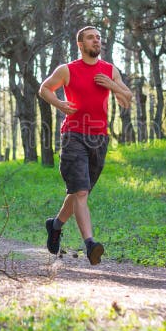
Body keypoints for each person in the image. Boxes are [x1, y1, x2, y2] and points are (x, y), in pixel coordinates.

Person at [38, 26, 133, 265]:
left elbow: (127, 100)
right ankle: (90, 244)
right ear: (80, 44)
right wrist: (60, 104)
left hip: (99, 138)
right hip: (73, 135)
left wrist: (112, 85)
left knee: (81, 190)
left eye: (98, 37)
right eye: (91, 37)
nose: (96, 40)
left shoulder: (110, 70)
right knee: (80, 191)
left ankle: (55, 225)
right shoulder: (67, 70)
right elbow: (44, 89)